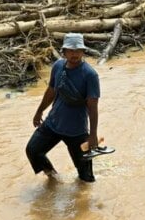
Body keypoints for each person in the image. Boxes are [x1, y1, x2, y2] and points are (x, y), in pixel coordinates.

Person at [26, 33, 100, 182]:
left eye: (78, 50)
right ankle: (53, 178)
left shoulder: (90, 75)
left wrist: (92, 135)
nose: (75, 54)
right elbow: (51, 91)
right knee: (33, 150)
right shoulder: (58, 66)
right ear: (64, 51)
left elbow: (93, 107)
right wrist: (39, 111)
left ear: (83, 51)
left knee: (86, 178)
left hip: (77, 130)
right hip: (53, 122)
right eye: (71, 51)